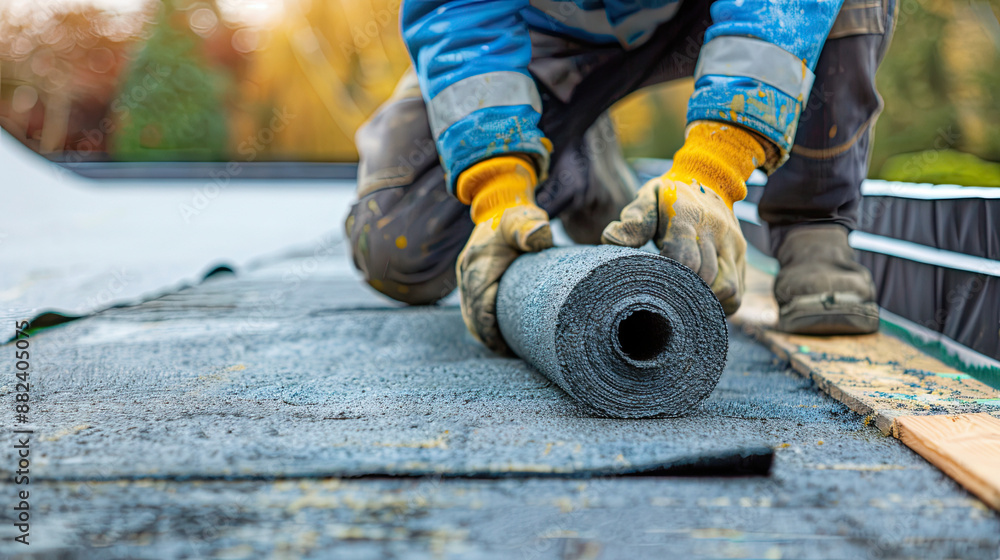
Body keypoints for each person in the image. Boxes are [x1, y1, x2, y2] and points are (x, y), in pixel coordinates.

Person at [346, 0, 897, 354]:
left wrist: (715, 168)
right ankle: (573, 169)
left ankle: (813, 222)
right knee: (397, 246)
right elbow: (458, 13)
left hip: (706, 13)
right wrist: (497, 191)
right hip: (541, 30)